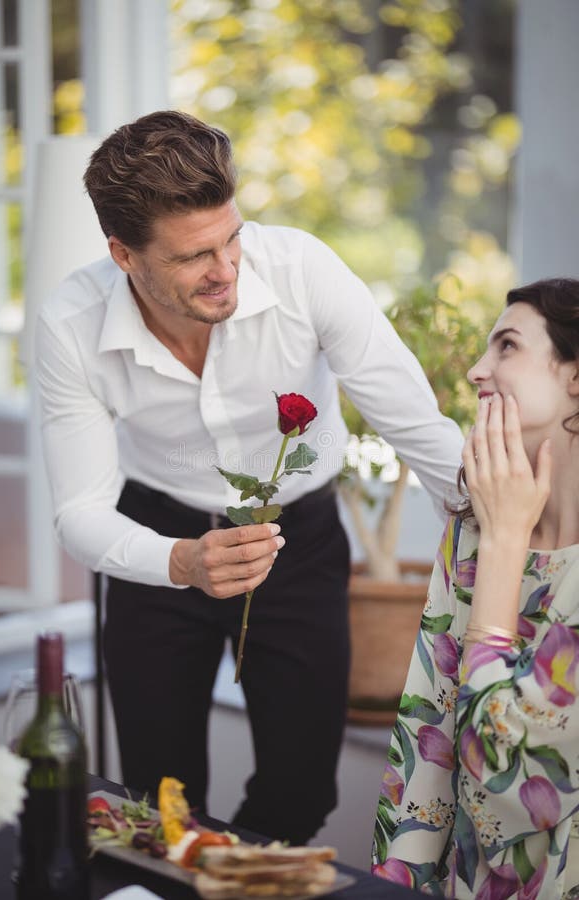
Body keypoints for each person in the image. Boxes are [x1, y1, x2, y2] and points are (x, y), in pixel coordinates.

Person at [35, 109, 463, 845]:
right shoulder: (69, 326)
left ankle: (238, 886)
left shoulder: (303, 270)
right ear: (124, 255)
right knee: (158, 799)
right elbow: (78, 510)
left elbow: (416, 424)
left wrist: (526, 537)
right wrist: (179, 561)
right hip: (157, 541)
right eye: (193, 255)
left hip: (299, 539)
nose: (226, 267)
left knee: (302, 791)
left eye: (232, 235)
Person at [372, 277, 579, 898]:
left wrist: (505, 543)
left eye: (507, 346)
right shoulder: (472, 529)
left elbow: (506, 777)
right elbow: (424, 737)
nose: (475, 370)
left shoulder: (494, 533)